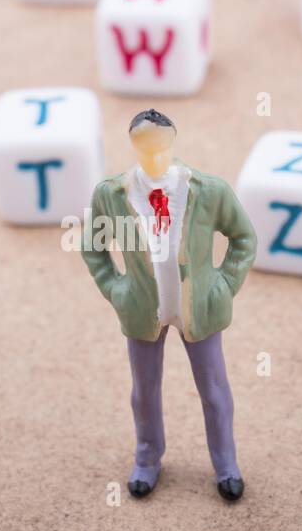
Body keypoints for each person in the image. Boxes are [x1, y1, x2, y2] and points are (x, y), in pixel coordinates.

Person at [80, 108, 256, 501]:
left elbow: (243, 238)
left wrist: (224, 285)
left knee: (213, 390)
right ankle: (147, 457)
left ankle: (226, 463)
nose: (154, 153)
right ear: (133, 146)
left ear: (173, 143)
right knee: (144, 389)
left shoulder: (210, 191)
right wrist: (116, 289)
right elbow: (93, 247)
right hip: (143, 310)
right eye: (145, 145)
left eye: (161, 144)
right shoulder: (111, 195)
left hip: (200, 309)